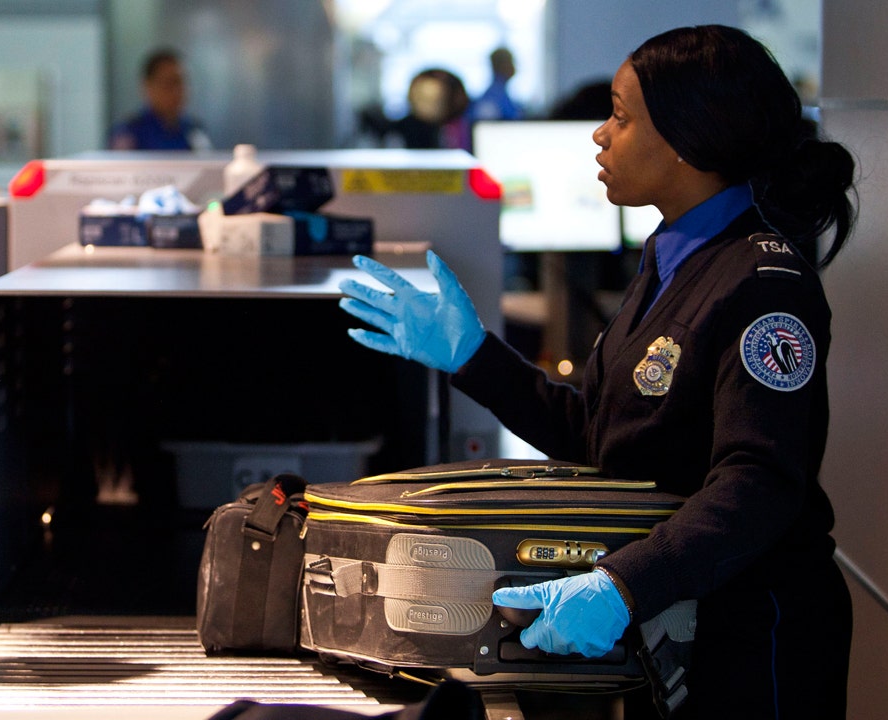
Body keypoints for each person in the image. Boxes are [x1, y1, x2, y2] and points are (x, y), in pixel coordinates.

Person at [339, 25, 854, 719]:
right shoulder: (673, 259)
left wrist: (624, 584)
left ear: (687, 137)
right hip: (673, 617)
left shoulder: (763, 285)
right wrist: (474, 358)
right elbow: (600, 435)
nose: (600, 135)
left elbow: (759, 484)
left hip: (751, 637)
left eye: (620, 115)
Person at [109, 48, 212, 151]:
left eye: (181, 83)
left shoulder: (194, 131)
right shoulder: (129, 134)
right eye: (169, 83)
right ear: (148, 87)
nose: (177, 91)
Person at [468, 46, 522, 122]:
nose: (515, 67)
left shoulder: (497, 93)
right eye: (512, 62)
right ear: (503, 65)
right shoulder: (495, 98)